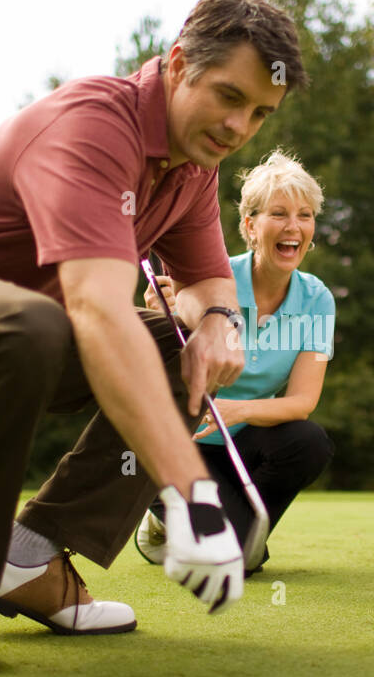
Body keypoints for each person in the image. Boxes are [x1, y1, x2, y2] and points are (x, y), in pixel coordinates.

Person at [0, 0, 307, 670]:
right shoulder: (94, 123)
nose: (238, 124)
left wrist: (221, 321)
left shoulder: (195, 166)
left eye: (259, 113)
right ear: (176, 65)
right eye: (228, 96)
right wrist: (192, 493)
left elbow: (206, 276)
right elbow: (99, 313)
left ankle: (27, 559)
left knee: (173, 344)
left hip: (14, 337)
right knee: (32, 325)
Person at [134, 150, 335, 574]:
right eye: (278, 213)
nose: (293, 227)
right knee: (236, 557)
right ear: (250, 225)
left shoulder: (317, 299)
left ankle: (234, 538)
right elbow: (155, 366)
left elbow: (301, 402)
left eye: (304, 214)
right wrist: (158, 314)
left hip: (244, 447)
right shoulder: (210, 278)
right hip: (181, 445)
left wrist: (236, 411)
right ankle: (166, 521)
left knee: (309, 441)